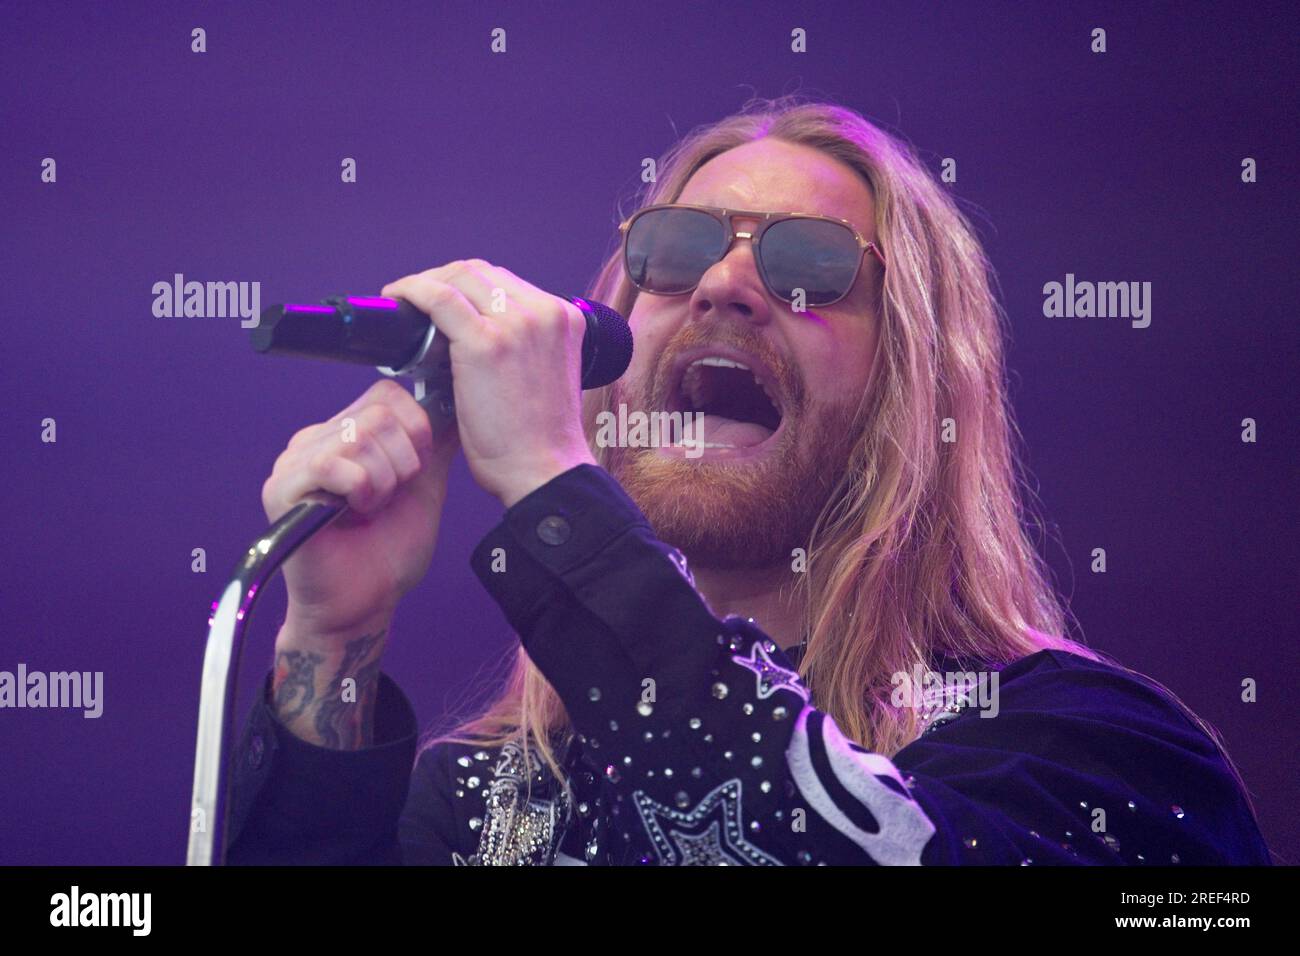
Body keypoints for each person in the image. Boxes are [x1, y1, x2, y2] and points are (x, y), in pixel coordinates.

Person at [225, 96, 1271, 866]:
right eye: (671, 252)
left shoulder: (1086, 751)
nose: (724, 285)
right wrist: (333, 643)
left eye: (808, 266)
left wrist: (551, 485)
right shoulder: (492, 803)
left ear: (910, 385)